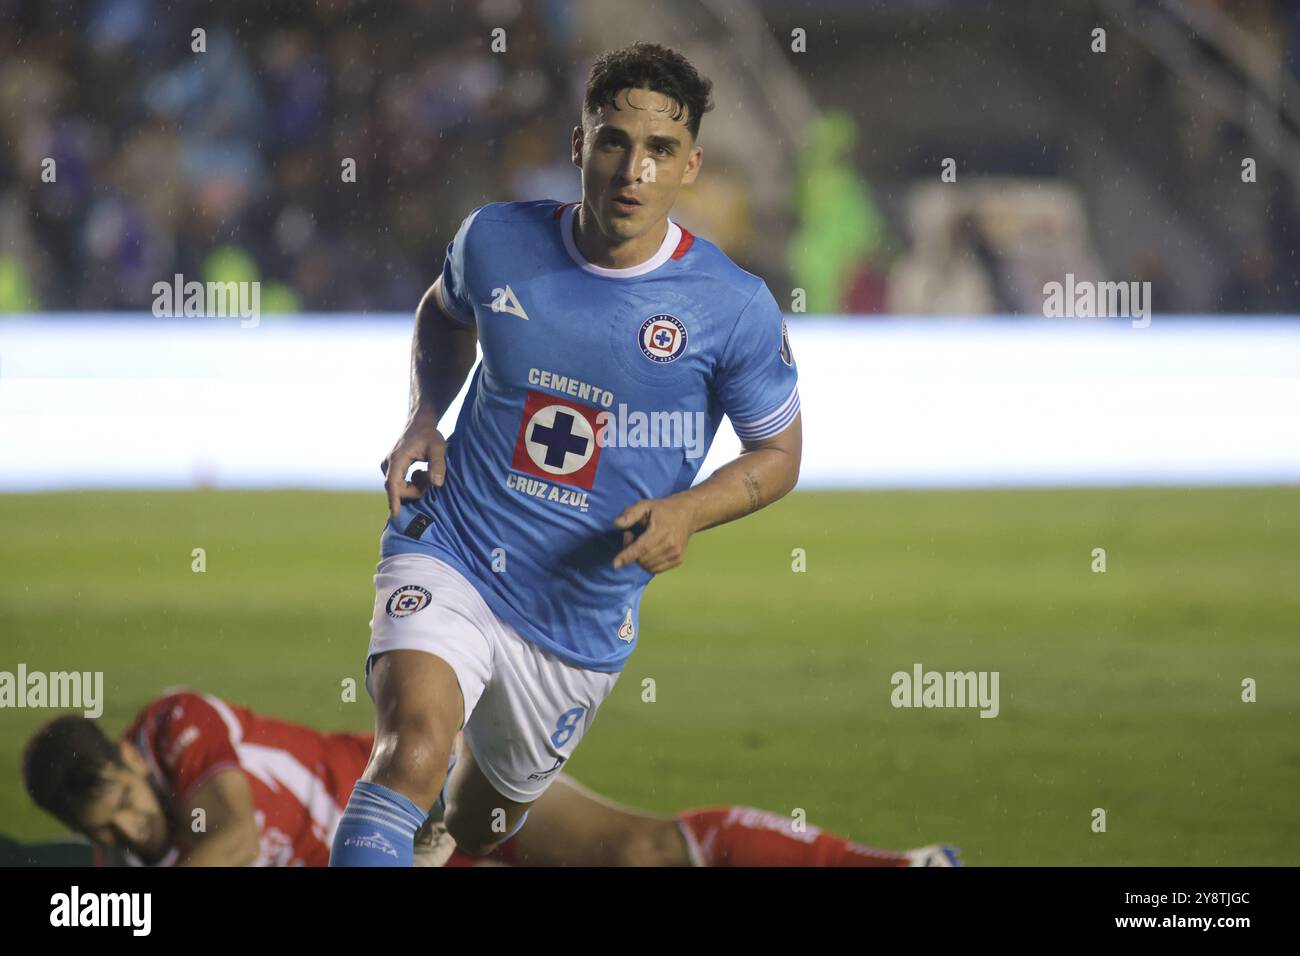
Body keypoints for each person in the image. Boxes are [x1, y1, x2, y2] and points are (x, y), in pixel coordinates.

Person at [331, 42, 804, 867]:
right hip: (456, 546)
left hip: (577, 616)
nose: (634, 169)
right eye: (615, 140)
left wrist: (689, 512)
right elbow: (444, 316)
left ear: (689, 165)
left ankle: (447, 827)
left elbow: (779, 452)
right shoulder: (496, 239)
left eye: (660, 150)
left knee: (478, 826)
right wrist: (423, 418)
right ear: (581, 144)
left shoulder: (730, 307)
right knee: (409, 752)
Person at [21, 691, 960, 867]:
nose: (148, 825)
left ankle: (893, 867)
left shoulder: (175, 726)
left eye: (137, 799)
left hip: (428, 800)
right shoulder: (120, 868)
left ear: (132, 764)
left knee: (638, 851)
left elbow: (222, 834)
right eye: (124, 825)